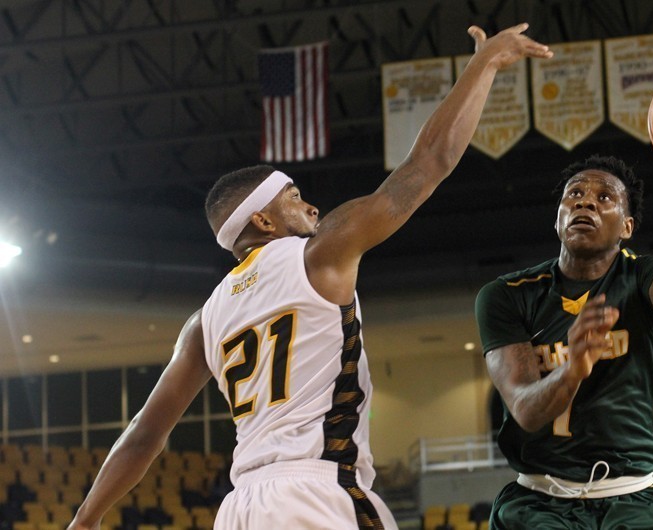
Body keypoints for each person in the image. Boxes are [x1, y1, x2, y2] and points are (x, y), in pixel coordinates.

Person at [68, 24, 552, 530]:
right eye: (294, 198)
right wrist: (485, 65)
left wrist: (84, 520)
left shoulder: (203, 321)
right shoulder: (318, 256)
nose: (311, 205)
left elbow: (145, 434)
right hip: (317, 493)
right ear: (262, 220)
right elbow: (429, 163)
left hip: (239, 510)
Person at [475, 113, 653, 529]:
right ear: (556, 219)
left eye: (605, 197)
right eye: (573, 194)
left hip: (630, 497)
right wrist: (572, 370)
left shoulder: (643, 276)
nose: (585, 201)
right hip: (541, 500)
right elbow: (525, 409)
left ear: (627, 227)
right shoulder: (507, 295)